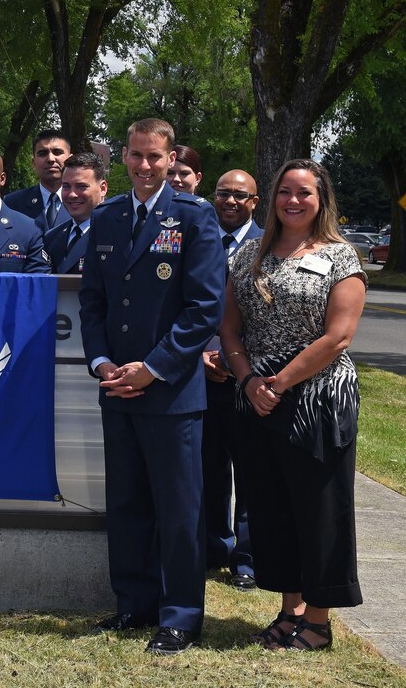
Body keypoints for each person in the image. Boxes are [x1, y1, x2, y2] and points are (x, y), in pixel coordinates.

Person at [78, 118, 225, 655]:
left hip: (170, 392)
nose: (145, 166)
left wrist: (153, 368)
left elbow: (205, 306)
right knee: (127, 502)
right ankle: (133, 605)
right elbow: (92, 300)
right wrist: (101, 363)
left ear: (170, 159)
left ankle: (180, 615)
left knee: (179, 509)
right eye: (136, 156)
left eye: (155, 157)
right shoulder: (109, 216)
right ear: (122, 156)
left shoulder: (194, 216)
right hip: (116, 387)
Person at [219, 159, 366, 652]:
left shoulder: (343, 257)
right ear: (273, 198)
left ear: (321, 199)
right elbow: (230, 329)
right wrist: (247, 381)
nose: (294, 201)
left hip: (317, 401)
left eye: (305, 192)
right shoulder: (248, 259)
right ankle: (290, 610)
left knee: (319, 509)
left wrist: (278, 383)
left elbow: (339, 336)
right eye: (285, 191)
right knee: (273, 508)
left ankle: (319, 622)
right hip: (259, 401)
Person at [201, 169, 263, 590]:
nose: (230, 202)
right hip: (201, 376)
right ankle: (213, 548)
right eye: (224, 194)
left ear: (254, 202)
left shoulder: (269, 247)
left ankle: (249, 557)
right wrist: (201, 352)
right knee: (209, 470)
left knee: (252, 471)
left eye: (240, 196)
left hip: (249, 378)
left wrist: (236, 358)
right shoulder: (199, 238)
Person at [44, 152, 108, 274]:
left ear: (103, 188)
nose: (72, 194)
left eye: (81, 186)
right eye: (66, 187)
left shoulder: (117, 232)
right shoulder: (51, 238)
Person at [3, 129, 72, 230]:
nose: (50, 159)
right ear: (33, 163)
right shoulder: (12, 203)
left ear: (70, 160)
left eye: (57, 152)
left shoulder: (85, 203)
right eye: (43, 153)